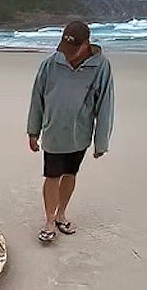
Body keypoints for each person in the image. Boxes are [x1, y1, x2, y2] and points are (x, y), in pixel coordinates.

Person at [26, 21, 114, 243]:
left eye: (73, 50)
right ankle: (48, 220)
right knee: (52, 176)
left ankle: (61, 214)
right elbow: (37, 98)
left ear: (86, 44)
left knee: (70, 174)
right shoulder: (50, 64)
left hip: (80, 134)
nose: (68, 55)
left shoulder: (101, 66)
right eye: (65, 49)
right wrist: (33, 131)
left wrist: (101, 141)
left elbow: (105, 104)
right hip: (53, 131)